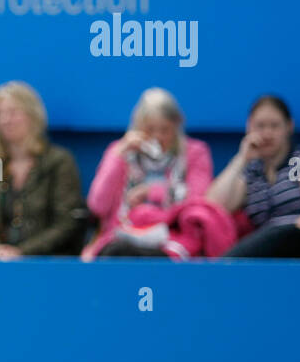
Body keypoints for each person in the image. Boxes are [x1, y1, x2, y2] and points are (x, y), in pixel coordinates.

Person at [84, 88, 215, 258]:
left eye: (165, 129)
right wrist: (118, 155)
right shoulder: (120, 152)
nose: (157, 136)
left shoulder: (195, 152)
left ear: (177, 124)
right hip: (121, 237)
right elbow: (97, 206)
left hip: (173, 237)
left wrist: (153, 191)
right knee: (116, 253)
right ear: (138, 127)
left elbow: (198, 201)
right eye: (150, 129)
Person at [208, 95, 300, 257]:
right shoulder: (252, 171)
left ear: (289, 126)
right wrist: (241, 158)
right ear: (248, 127)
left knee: (274, 237)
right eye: (260, 126)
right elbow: (213, 206)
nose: (267, 133)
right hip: (265, 250)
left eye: (274, 126)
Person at [0, 82, 85, 259]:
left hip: (47, 260)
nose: (5, 120)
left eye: (13, 112)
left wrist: (23, 252)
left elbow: (65, 223)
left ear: (33, 116)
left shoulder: (56, 161)